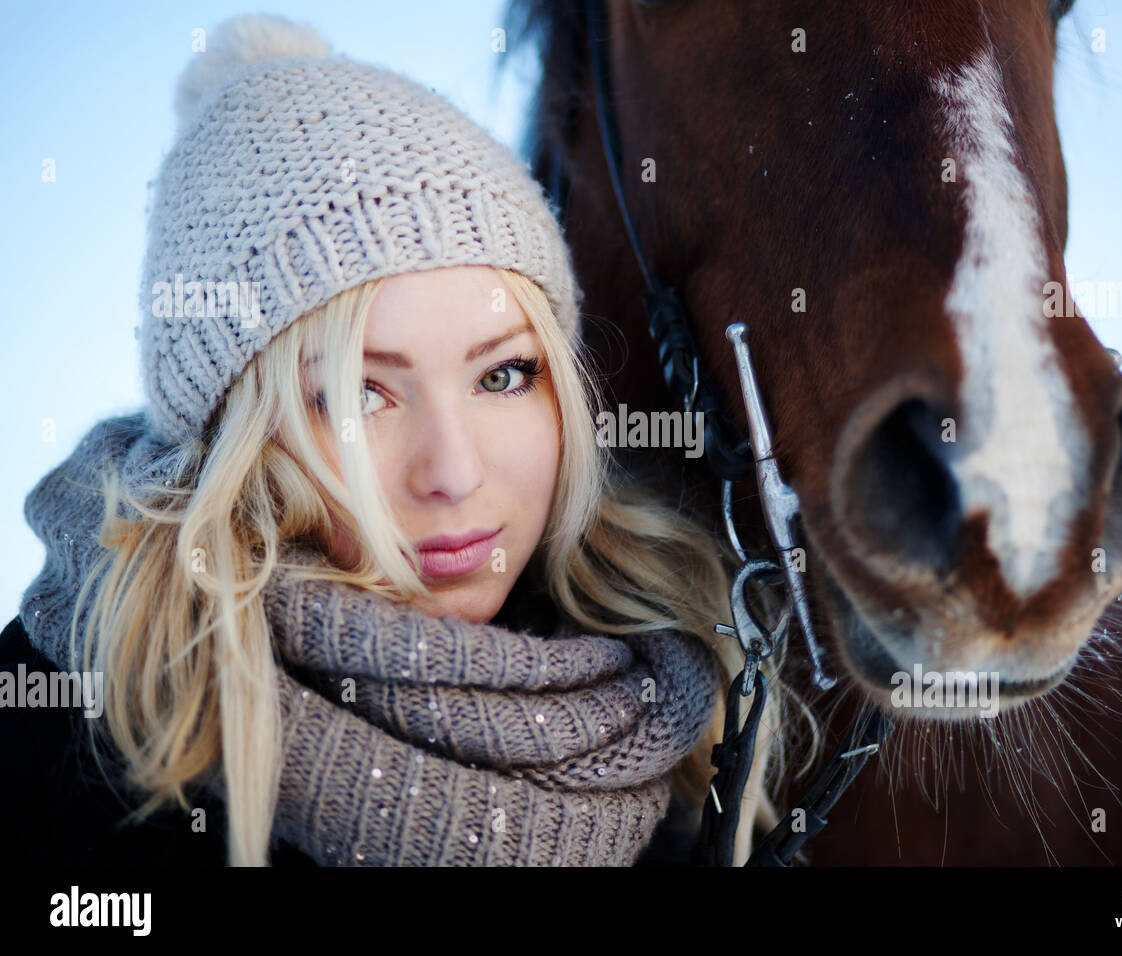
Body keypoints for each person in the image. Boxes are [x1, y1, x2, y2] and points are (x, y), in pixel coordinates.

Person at [1, 14, 801, 866]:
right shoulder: (64, 735)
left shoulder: (691, 736)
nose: (453, 474)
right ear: (228, 441)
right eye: (360, 395)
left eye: (502, 376)